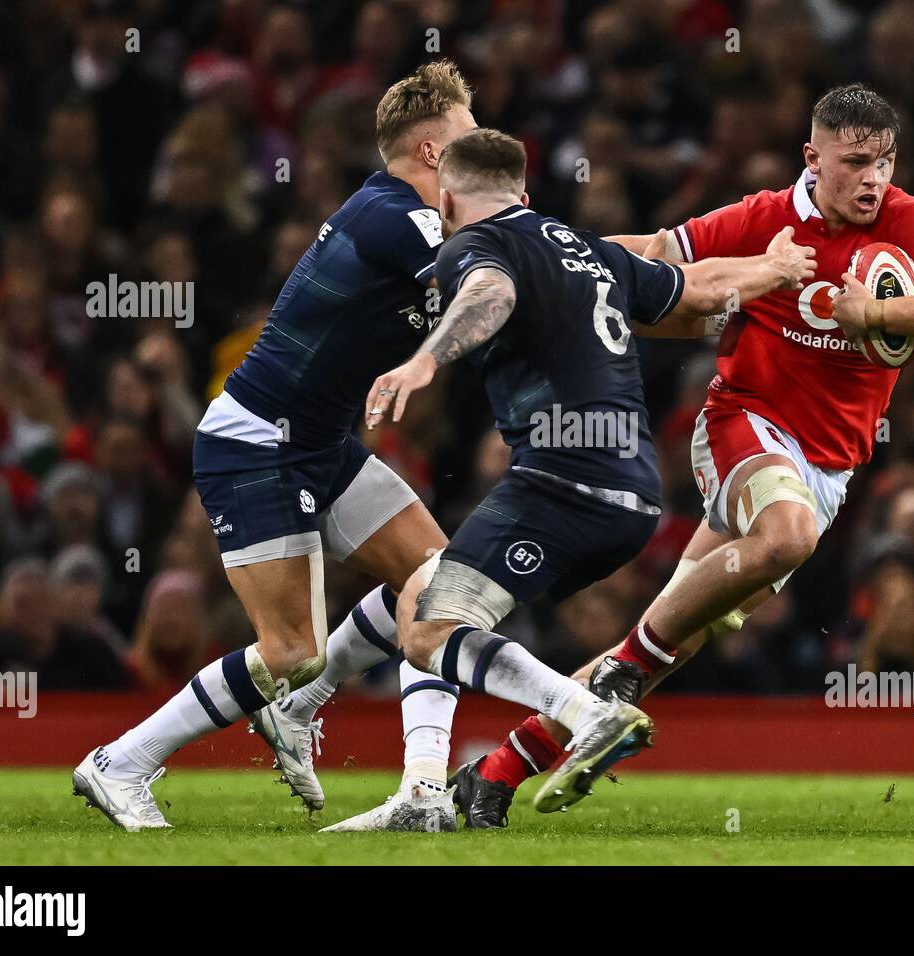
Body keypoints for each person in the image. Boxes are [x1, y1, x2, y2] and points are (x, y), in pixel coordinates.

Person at [442, 84, 914, 828]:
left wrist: (876, 312)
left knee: (666, 641)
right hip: (745, 425)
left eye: (885, 162)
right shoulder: (762, 220)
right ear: (815, 157)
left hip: (827, 468)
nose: (874, 179)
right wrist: (550, 263)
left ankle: (494, 774)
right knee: (786, 537)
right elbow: (653, 257)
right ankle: (615, 673)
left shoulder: (905, 219)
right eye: (857, 161)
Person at [319, 127, 817, 830]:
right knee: (425, 595)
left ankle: (586, 714)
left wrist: (425, 361)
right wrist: (773, 266)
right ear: (525, 193)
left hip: (560, 483)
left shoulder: (474, 248)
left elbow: (488, 294)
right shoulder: (589, 248)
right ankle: (423, 795)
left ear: (449, 199)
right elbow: (701, 288)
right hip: (633, 500)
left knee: (429, 629)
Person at [71, 61, 478, 831]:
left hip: (319, 442)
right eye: (465, 136)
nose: (478, 150)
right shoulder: (398, 219)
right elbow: (492, 281)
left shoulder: (403, 215)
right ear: (431, 152)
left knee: (439, 582)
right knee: (292, 651)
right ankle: (120, 761)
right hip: (255, 445)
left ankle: (369, 757)